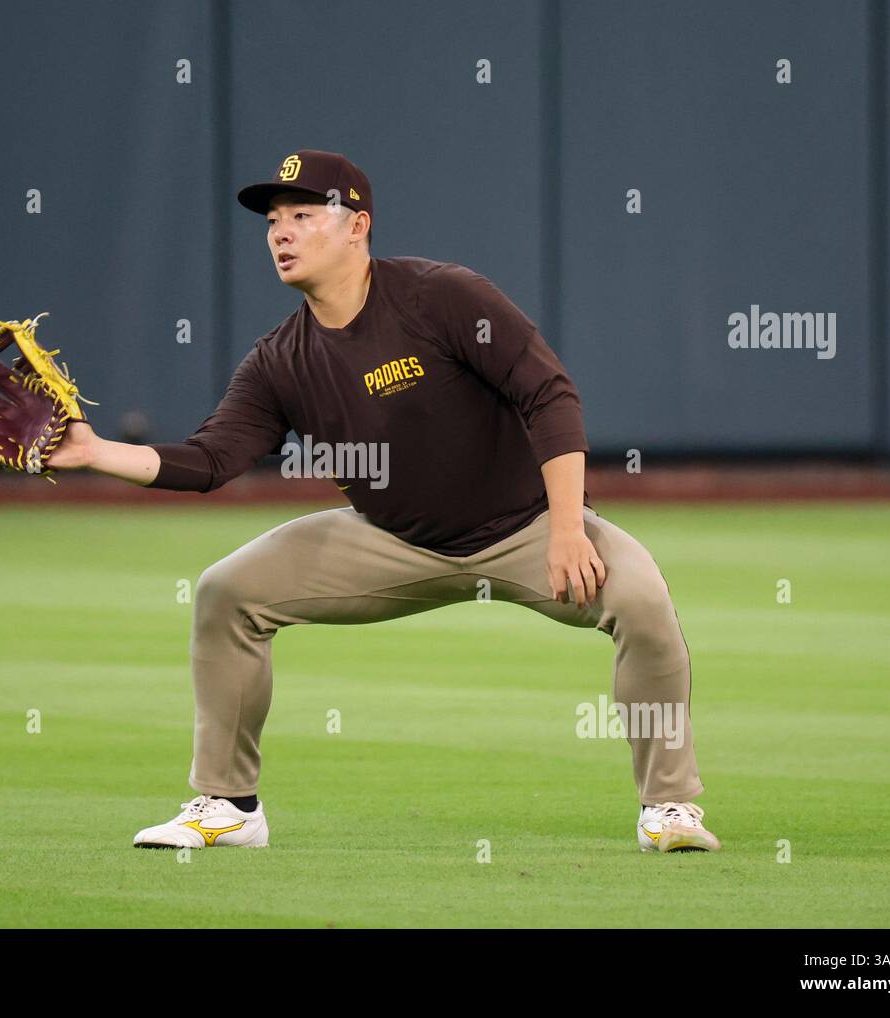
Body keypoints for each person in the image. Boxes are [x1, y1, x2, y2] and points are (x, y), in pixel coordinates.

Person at [50, 149, 721, 854]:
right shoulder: (280, 360)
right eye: (273, 221)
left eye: (303, 216)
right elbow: (212, 459)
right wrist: (96, 453)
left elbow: (547, 392)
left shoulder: (442, 297)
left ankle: (668, 809)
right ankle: (229, 805)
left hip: (527, 529)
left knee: (642, 602)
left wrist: (565, 527)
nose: (281, 233)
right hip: (391, 543)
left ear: (356, 226)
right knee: (226, 593)